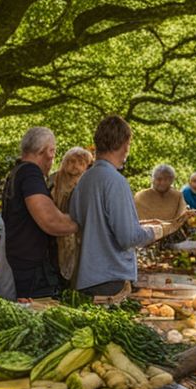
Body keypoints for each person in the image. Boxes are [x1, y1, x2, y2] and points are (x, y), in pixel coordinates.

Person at [68, 115, 164, 296]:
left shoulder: (84, 180)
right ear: (123, 144)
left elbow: (82, 222)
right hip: (110, 280)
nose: (128, 150)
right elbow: (127, 237)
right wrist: (156, 231)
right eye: (128, 144)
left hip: (85, 278)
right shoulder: (115, 181)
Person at [2, 127, 79, 298]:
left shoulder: (16, 172)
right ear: (48, 151)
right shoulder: (30, 173)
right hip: (31, 271)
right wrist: (85, 221)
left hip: (19, 265)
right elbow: (51, 221)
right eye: (53, 151)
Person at [50, 147, 93, 282]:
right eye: (72, 161)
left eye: (81, 163)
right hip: (55, 228)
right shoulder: (54, 179)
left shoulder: (88, 182)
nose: (75, 166)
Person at [134, 164, 190, 237]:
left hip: (173, 237)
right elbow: (134, 222)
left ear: (171, 180)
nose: (163, 183)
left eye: (166, 180)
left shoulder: (177, 195)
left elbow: (180, 218)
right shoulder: (140, 196)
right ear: (152, 179)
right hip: (145, 237)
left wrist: (188, 214)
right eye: (159, 179)